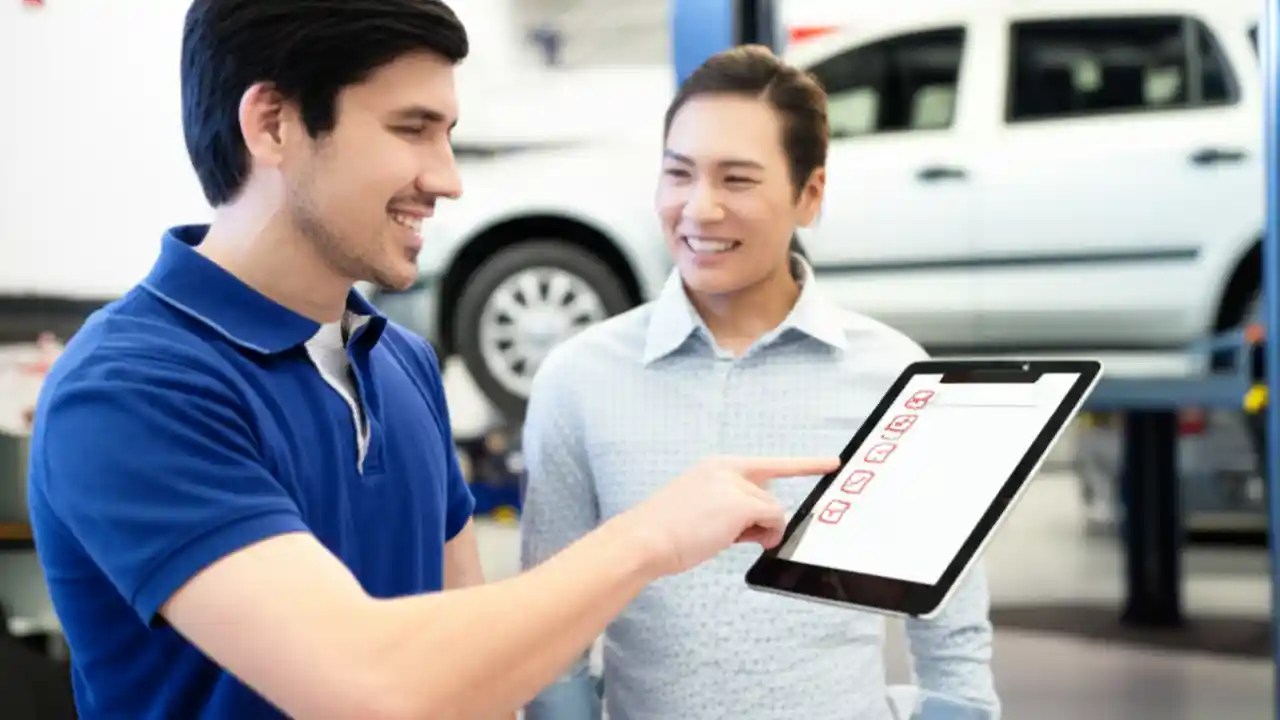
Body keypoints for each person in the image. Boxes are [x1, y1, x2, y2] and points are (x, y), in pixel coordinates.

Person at [24, 4, 839, 719]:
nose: (446, 179)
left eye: (447, 135)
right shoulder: (128, 390)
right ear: (273, 123)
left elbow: (476, 677)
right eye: (411, 129)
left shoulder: (401, 363)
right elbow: (371, 687)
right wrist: (651, 537)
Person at [520, 45, 1001, 720]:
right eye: (678, 174)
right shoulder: (580, 379)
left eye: (737, 180)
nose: (700, 209)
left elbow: (950, 638)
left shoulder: (893, 376)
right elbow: (552, 630)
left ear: (810, 195)